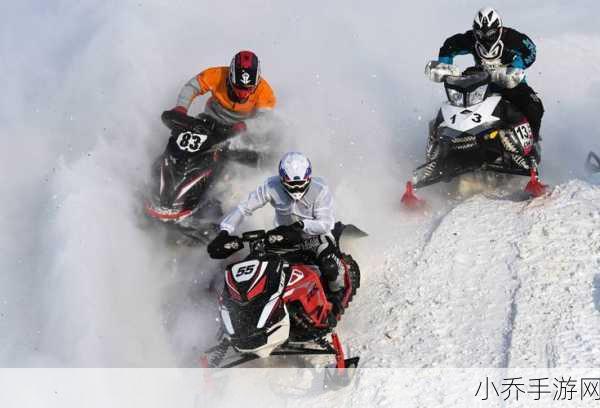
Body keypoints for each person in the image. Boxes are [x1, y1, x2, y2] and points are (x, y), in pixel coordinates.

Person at [207, 152, 346, 320]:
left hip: (314, 236)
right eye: (291, 184)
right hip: (282, 238)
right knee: (254, 266)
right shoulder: (271, 186)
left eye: (300, 184)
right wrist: (225, 231)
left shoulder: (320, 189)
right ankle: (249, 312)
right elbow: (244, 207)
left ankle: (336, 300)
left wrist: (300, 225)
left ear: (308, 178)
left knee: (329, 264)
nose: (296, 189)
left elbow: (326, 223)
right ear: (282, 179)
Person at [436, 7, 544, 144]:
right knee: (452, 106)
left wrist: (516, 66)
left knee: (534, 106)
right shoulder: (470, 39)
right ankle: (441, 144)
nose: (486, 38)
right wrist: (445, 66)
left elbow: (531, 50)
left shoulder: (512, 37)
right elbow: (449, 46)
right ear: (475, 32)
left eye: (490, 33)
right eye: (480, 34)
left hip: (511, 83)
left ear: (499, 29)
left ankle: (531, 145)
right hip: (481, 84)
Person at [169, 50, 276, 131]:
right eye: (238, 86)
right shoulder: (217, 74)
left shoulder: (265, 91)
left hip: (240, 131)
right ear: (230, 76)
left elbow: (265, 119)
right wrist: (181, 107)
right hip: (210, 121)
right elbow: (192, 87)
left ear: (257, 82)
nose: (243, 94)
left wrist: (246, 125)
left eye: (249, 88)